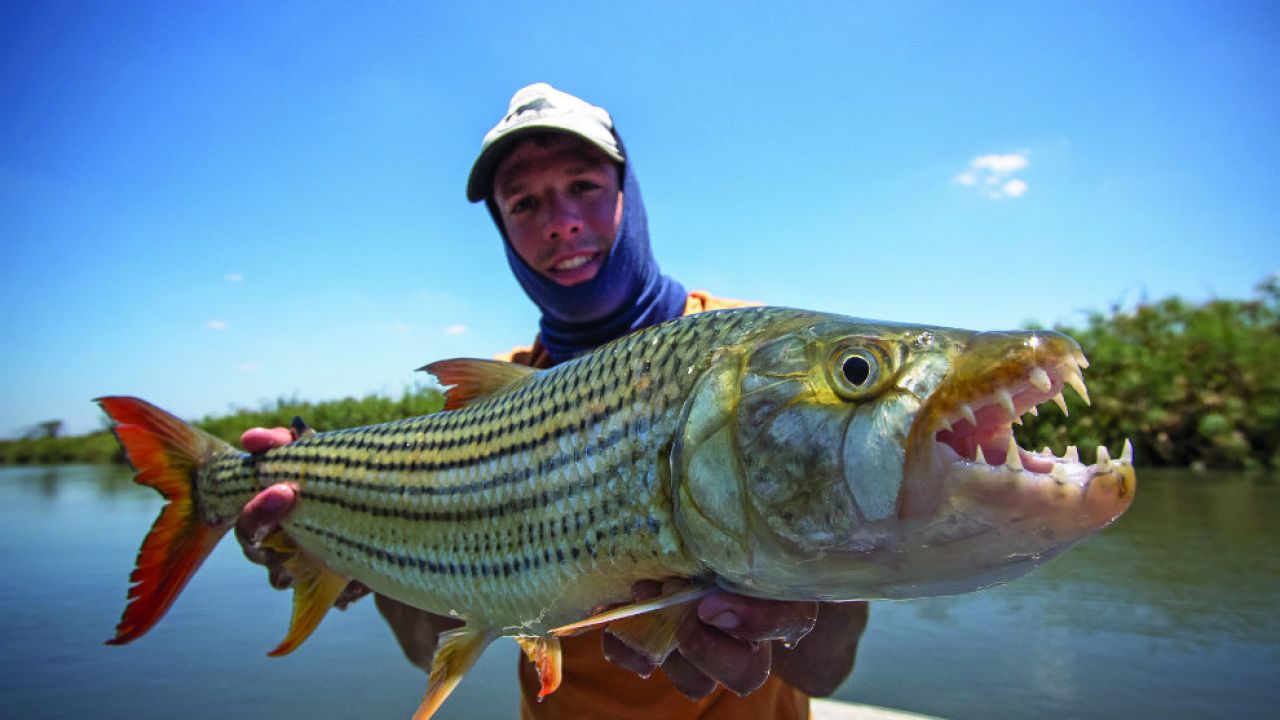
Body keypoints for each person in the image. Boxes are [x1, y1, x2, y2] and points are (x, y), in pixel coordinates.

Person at [236, 83, 869, 719]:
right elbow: (427, 640)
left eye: (584, 187)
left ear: (628, 193)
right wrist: (351, 544)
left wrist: (808, 584)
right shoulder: (484, 411)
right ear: (504, 231)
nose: (560, 220)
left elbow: (826, 669)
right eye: (524, 202)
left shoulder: (765, 358)